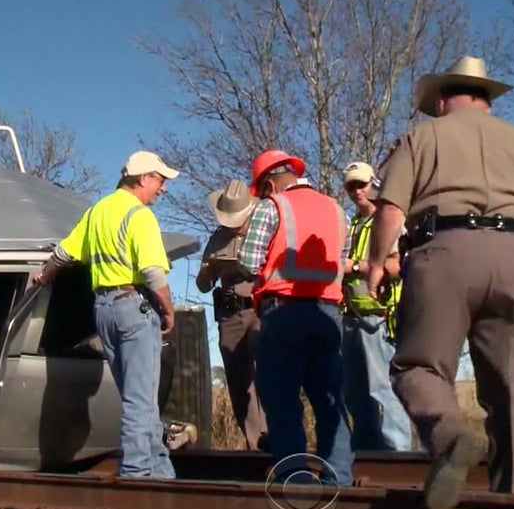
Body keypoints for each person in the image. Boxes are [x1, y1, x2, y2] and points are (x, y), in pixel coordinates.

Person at [367, 55, 514, 509]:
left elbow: (390, 209)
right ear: (487, 101)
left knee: (417, 366)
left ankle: (450, 435)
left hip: (445, 252)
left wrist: (377, 264)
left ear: (441, 101)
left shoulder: (421, 138)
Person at [33, 150, 179, 479]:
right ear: (143, 179)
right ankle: (137, 475)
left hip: (104, 311)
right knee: (141, 401)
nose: (163, 188)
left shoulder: (98, 211)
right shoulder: (139, 215)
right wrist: (169, 312)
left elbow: (64, 253)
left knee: (138, 397)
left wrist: (44, 275)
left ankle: (161, 474)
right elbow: (153, 272)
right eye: (160, 180)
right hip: (134, 306)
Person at [237, 149, 354, 487]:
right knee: (330, 398)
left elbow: (247, 262)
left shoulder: (272, 206)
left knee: (282, 396)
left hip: (284, 311)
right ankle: (339, 477)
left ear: (269, 184)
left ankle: (294, 476)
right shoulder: (337, 210)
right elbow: (342, 259)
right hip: (327, 312)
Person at [340, 162, 413, 452]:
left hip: (379, 317)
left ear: (375, 184)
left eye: (362, 184)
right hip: (352, 317)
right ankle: (367, 456)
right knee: (355, 394)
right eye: (351, 186)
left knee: (384, 389)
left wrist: (356, 267)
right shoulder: (353, 224)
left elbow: (400, 266)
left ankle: (399, 455)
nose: (357, 191)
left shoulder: (390, 220)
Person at [196, 179, 269, 451]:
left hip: (260, 309)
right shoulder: (217, 238)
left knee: (269, 374)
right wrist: (210, 271)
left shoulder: (266, 230)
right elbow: (202, 285)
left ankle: (276, 438)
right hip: (229, 314)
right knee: (239, 383)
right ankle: (255, 445)